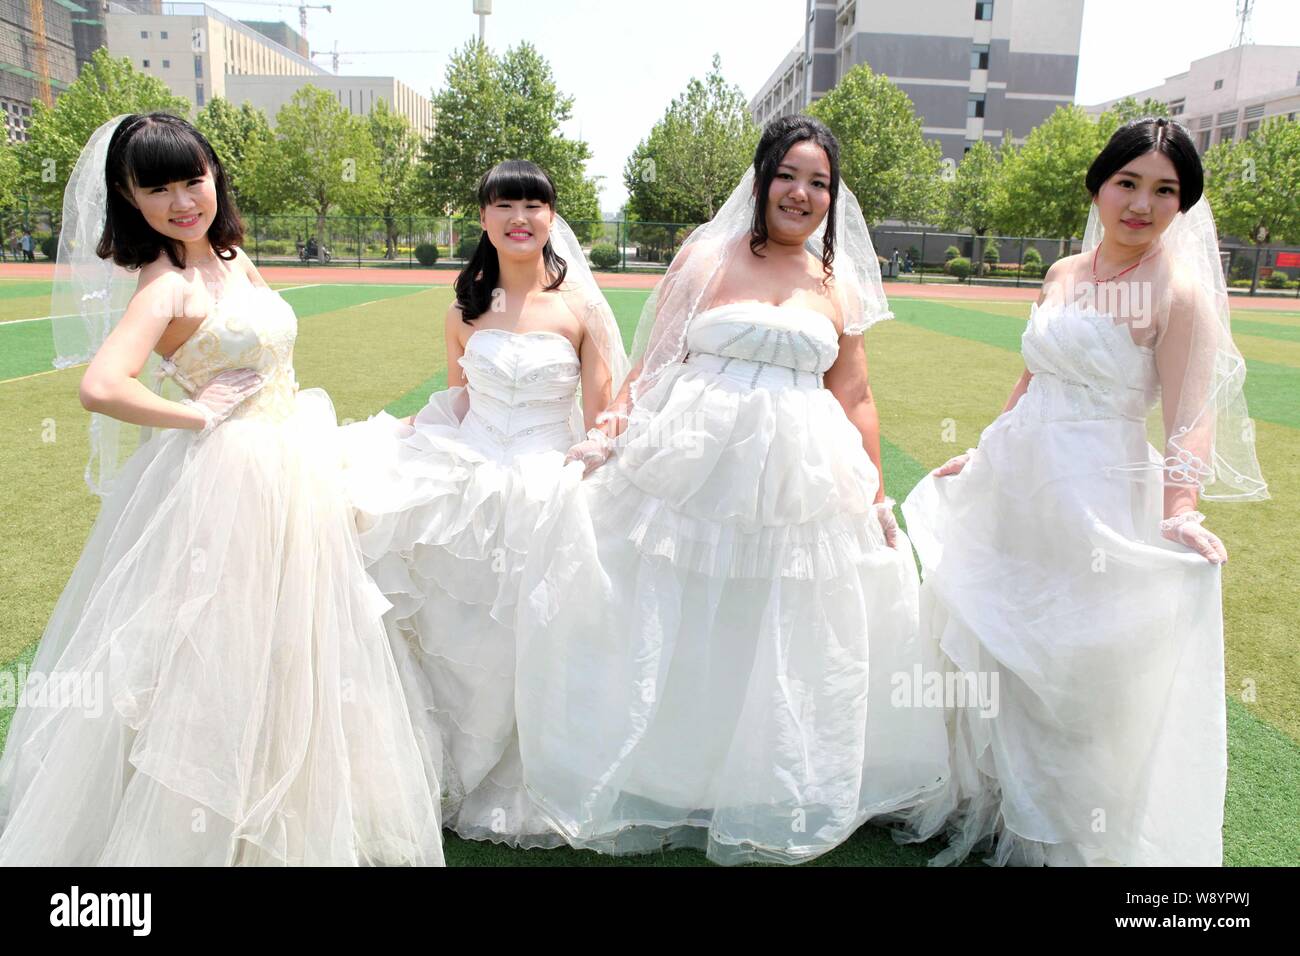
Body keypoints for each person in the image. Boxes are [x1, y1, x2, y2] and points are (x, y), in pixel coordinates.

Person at [0, 113, 444, 866]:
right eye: (159, 188)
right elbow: (101, 385)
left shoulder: (234, 259)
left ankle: (288, 810)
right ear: (128, 197)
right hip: (226, 480)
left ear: (215, 176)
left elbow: (274, 362)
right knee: (217, 648)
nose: (182, 201)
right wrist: (191, 411)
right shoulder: (163, 286)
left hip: (290, 465)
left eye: (193, 179)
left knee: (292, 641)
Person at [514, 115, 949, 865]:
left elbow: (856, 393)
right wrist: (606, 432)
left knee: (776, 614)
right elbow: (652, 362)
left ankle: (763, 775)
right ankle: (671, 770)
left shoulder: (834, 280)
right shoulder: (707, 257)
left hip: (802, 472)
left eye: (819, 182)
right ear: (761, 178)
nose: (802, 194)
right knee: (677, 602)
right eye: (789, 176)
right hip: (693, 456)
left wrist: (879, 496)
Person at [901, 117, 1268, 866]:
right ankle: (994, 796)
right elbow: (1034, 373)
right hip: (1017, 478)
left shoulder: (1179, 290)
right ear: (1099, 185)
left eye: (1165, 190)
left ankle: (1064, 824)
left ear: (1183, 203)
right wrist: (981, 450)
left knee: (1066, 658)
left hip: (1094, 490)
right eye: (1128, 182)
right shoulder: (1065, 272)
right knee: (996, 633)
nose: (1142, 203)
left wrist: (1181, 510)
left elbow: (1190, 416)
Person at [341, 159, 629, 848]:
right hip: (465, 476)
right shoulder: (464, 310)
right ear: (483, 219)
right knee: (448, 626)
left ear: (552, 217)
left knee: (523, 636)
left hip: (541, 480)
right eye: (505, 205)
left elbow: (604, 415)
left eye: (534, 204)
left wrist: (597, 454)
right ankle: (437, 772)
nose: (520, 217)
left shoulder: (580, 309)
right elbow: (458, 401)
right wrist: (392, 436)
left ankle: (524, 778)